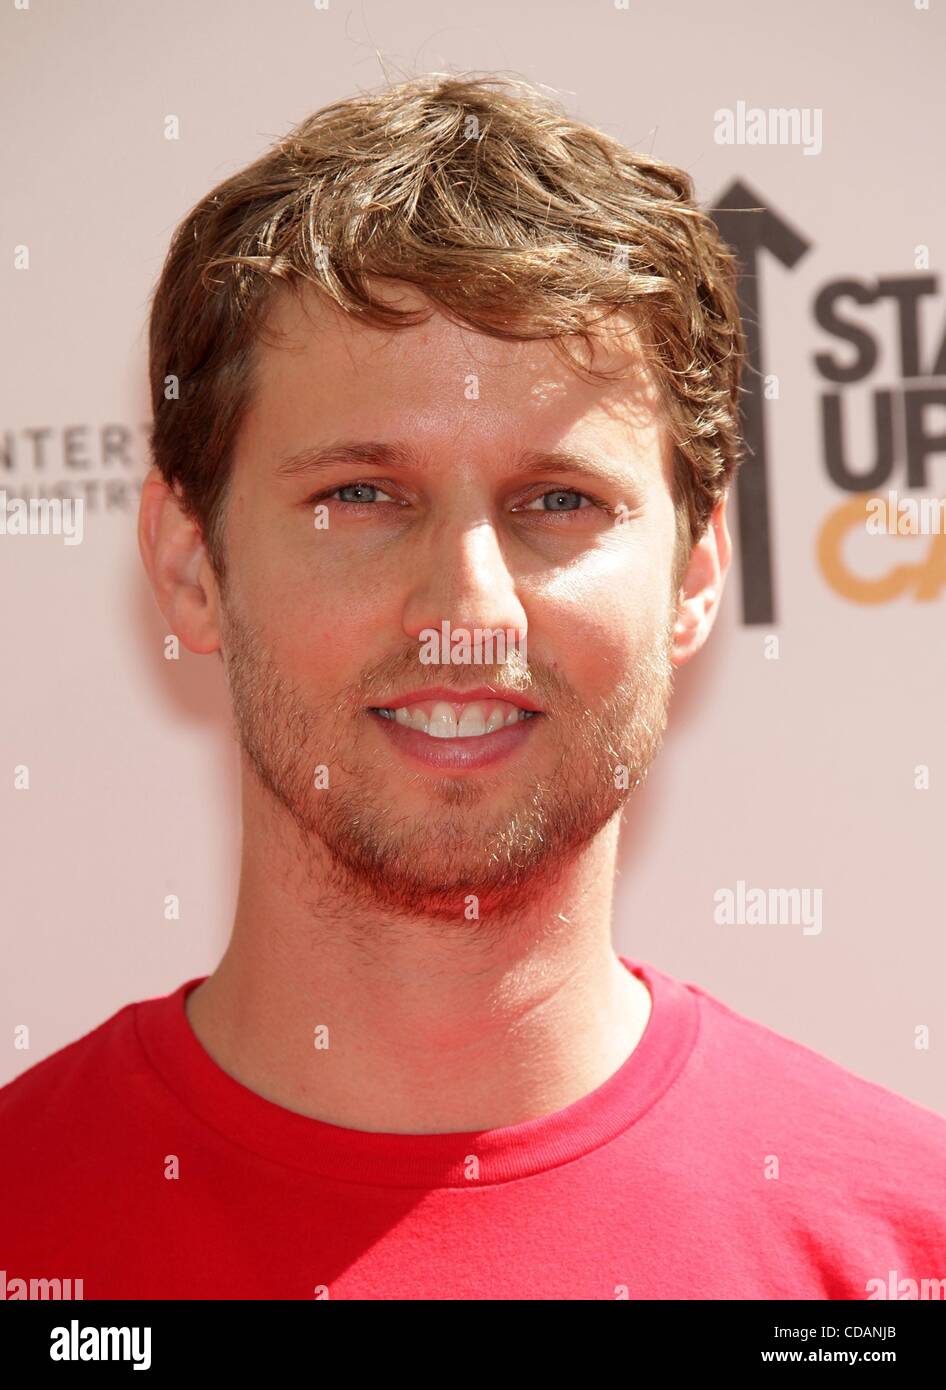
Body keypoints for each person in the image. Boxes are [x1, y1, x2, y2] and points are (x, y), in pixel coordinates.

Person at [2, 73, 944, 1303]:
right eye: (361, 494)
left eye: (558, 501)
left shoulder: (901, 1259)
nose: (465, 612)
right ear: (190, 565)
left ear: (695, 577)